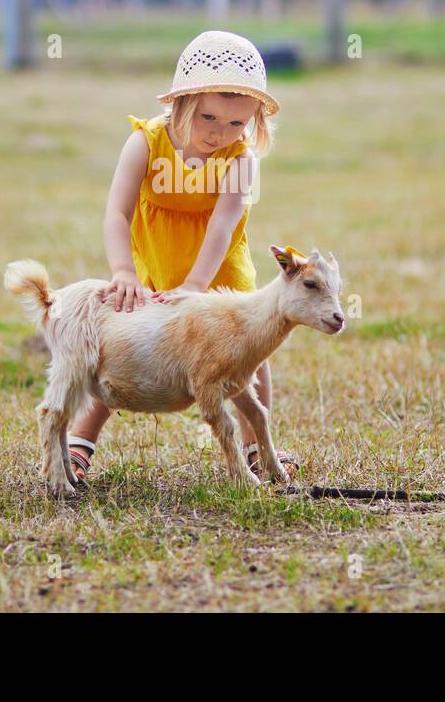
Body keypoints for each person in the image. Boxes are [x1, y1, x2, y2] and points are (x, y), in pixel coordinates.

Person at [66, 30, 300, 483]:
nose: (220, 132)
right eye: (210, 117)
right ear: (181, 103)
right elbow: (117, 211)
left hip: (218, 266)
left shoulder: (240, 159)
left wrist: (196, 286)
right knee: (122, 348)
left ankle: (256, 447)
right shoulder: (145, 142)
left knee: (249, 353)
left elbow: (223, 225)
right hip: (157, 256)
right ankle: (80, 440)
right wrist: (122, 271)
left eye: (237, 124)